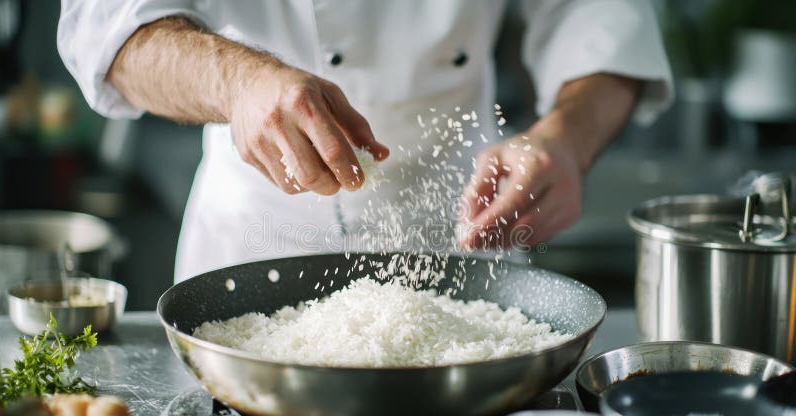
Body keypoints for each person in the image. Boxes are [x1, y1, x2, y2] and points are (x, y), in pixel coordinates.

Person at [58, 0, 672, 282]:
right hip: (257, 244)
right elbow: (107, 27)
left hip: (463, 234)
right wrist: (239, 83)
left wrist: (566, 138)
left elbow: (600, 16)